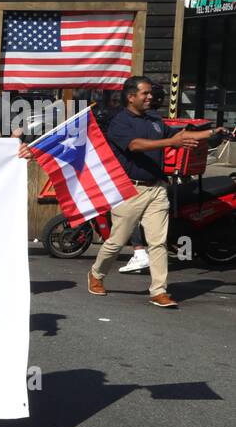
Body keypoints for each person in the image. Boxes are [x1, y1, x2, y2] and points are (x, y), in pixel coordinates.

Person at [81, 76, 216, 308]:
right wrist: (171, 143)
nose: (150, 97)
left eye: (150, 93)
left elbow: (179, 137)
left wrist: (214, 134)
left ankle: (158, 291)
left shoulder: (154, 119)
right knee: (117, 240)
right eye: (145, 93)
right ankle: (96, 274)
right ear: (131, 97)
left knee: (158, 242)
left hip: (157, 189)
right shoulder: (120, 122)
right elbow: (135, 145)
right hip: (130, 189)